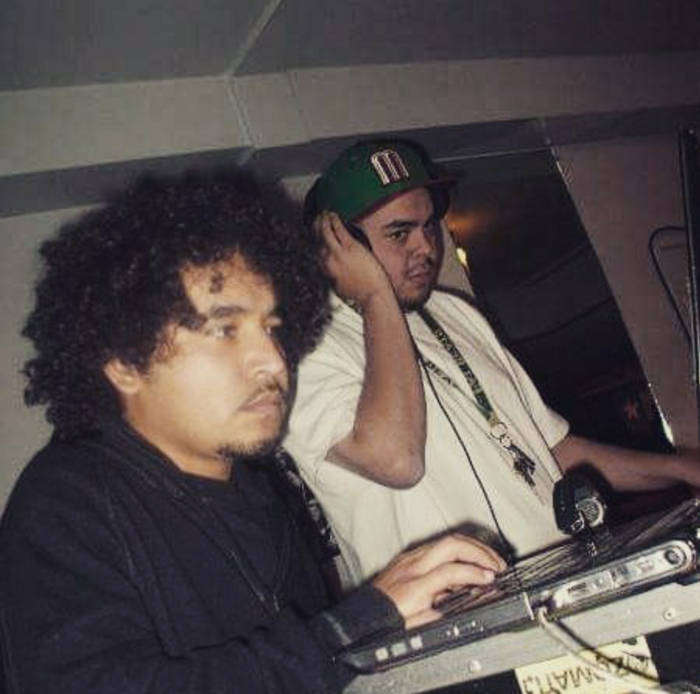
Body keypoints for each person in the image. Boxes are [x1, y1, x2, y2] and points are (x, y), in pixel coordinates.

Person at [0, 170, 506, 693]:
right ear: (125, 361)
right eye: (224, 330)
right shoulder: (66, 503)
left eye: (272, 328)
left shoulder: (262, 495)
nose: (274, 360)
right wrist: (356, 625)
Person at [284, 139, 700, 587]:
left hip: (566, 582)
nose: (426, 247)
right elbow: (396, 461)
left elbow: (549, 450)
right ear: (340, 244)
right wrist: (374, 296)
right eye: (399, 233)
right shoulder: (303, 346)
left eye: (428, 225)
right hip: (454, 616)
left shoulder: (456, 313)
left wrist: (680, 467)